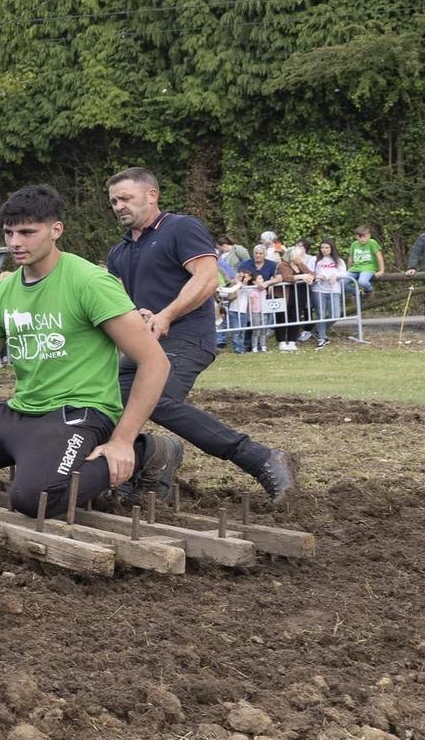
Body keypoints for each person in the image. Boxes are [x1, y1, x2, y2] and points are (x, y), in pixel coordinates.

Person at [0, 184, 180, 515]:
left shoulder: (90, 282)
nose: (15, 243)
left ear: (55, 230)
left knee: (36, 499)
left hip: (78, 413)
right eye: (8, 233)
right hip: (21, 411)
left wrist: (122, 440)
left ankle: (147, 450)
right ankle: (32, 458)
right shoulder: (4, 291)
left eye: (27, 232)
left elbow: (154, 362)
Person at [104, 168, 296, 502]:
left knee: (155, 399)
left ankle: (261, 458)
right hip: (142, 345)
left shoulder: (181, 228)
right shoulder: (118, 253)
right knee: (106, 404)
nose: (119, 206)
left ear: (152, 195)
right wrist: (136, 315)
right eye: (113, 201)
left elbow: (207, 278)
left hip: (188, 338)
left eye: (126, 198)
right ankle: (154, 456)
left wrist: (166, 314)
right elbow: (123, 302)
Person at [308, 241, 347, 349]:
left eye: (327, 247)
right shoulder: (314, 260)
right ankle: (322, 337)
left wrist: (336, 275)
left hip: (334, 289)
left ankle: (318, 330)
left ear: (331, 248)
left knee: (335, 315)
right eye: (322, 247)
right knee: (320, 314)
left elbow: (345, 273)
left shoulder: (338, 261)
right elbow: (309, 272)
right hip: (319, 290)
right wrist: (318, 276)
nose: (324, 249)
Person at [344, 225, 382, 303]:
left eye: (365, 236)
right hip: (355, 268)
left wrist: (381, 270)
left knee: (362, 281)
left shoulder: (372, 242)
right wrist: (348, 269)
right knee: (341, 283)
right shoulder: (354, 244)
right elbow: (350, 258)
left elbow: (379, 256)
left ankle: (369, 290)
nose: (362, 239)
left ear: (369, 236)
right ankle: (358, 292)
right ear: (356, 237)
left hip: (368, 268)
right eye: (360, 237)